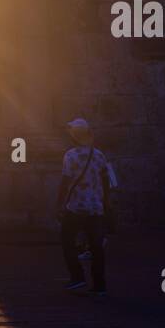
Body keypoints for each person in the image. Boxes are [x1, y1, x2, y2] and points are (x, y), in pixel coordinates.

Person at [56, 118, 114, 296]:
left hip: (76, 206)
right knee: (97, 247)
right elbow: (106, 181)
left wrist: (59, 204)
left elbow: (65, 182)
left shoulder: (70, 156)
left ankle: (77, 277)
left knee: (67, 242)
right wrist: (106, 203)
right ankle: (100, 285)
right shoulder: (99, 155)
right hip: (95, 207)